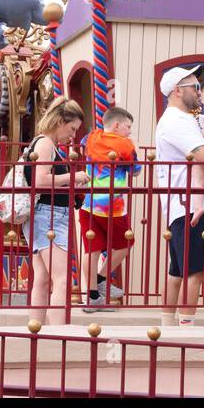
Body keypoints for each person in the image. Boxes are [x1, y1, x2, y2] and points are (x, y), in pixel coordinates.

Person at [155, 66, 204, 326]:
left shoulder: (181, 120)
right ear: (177, 91)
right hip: (193, 204)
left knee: (178, 270)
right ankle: (186, 326)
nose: (199, 91)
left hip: (183, 204)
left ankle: (168, 323)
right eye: (194, 87)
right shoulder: (177, 120)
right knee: (195, 270)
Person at [21, 98, 89, 327]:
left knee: (42, 278)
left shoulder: (44, 144)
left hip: (43, 215)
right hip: (49, 215)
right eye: (71, 129)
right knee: (62, 279)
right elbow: (41, 180)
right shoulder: (46, 144)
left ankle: (36, 328)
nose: (73, 136)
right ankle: (59, 333)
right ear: (60, 121)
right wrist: (74, 177)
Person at [79, 106, 141, 311]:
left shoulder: (91, 137)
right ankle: (102, 279)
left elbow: (81, 146)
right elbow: (136, 171)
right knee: (125, 243)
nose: (129, 131)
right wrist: (133, 150)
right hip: (111, 206)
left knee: (92, 248)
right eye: (128, 126)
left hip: (89, 203)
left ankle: (92, 295)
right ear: (116, 125)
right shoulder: (124, 144)